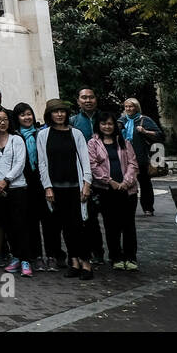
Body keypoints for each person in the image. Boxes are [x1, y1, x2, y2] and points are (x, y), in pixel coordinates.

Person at [38, 98, 94, 279]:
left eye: (62, 111)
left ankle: (86, 262)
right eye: (56, 111)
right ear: (50, 115)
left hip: (76, 186)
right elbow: (42, 164)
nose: (60, 114)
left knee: (80, 225)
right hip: (56, 188)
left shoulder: (75, 133)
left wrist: (87, 183)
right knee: (65, 227)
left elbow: (85, 160)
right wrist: (47, 187)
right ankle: (74, 260)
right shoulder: (43, 135)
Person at [0, 109, 31, 277]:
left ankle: (25, 260)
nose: (2, 123)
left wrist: (6, 180)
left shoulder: (16, 139)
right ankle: (16, 257)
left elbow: (20, 163)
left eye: (4, 119)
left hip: (17, 188)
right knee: (7, 225)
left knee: (21, 224)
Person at [14, 102, 61, 272]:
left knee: (50, 221)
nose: (27, 118)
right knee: (31, 222)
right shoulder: (16, 136)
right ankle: (37, 256)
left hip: (45, 181)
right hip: (26, 184)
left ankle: (52, 255)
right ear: (17, 118)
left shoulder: (42, 133)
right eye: (22, 115)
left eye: (29, 114)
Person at [89, 110, 139, 271]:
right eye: (103, 123)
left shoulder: (124, 141)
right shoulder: (93, 143)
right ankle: (115, 256)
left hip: (127, 190)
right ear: (99, 125)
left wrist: (126, 182)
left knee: (128, 225)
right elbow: (93, 165)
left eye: (110, 123)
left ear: (115, 125)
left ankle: (130, 257)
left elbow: (133, 163)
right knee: (111, 225)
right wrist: (109, 181)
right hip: (106, 190)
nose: (107, 126)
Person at [70, 89, 105, 264]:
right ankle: (95, 251)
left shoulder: (105, 118)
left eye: (91, 97)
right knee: (89, 218)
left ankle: (119, 255)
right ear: (78, 101)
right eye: (84, 97)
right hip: (84, 174)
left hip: (107, 175)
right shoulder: (73, 122)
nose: (88, 100)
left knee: (112, 218)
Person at [121, 98, 165, 216]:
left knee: (145, 184)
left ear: (136, 107)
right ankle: (127, 208)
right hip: (125, 159)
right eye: (126, 107)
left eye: (131, 106)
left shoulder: (144, 120)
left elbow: (160, 135)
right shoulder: (122, 120)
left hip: (141, 158)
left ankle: (148, 208)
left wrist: (145, 131)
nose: (128, 109)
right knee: (126, 183)